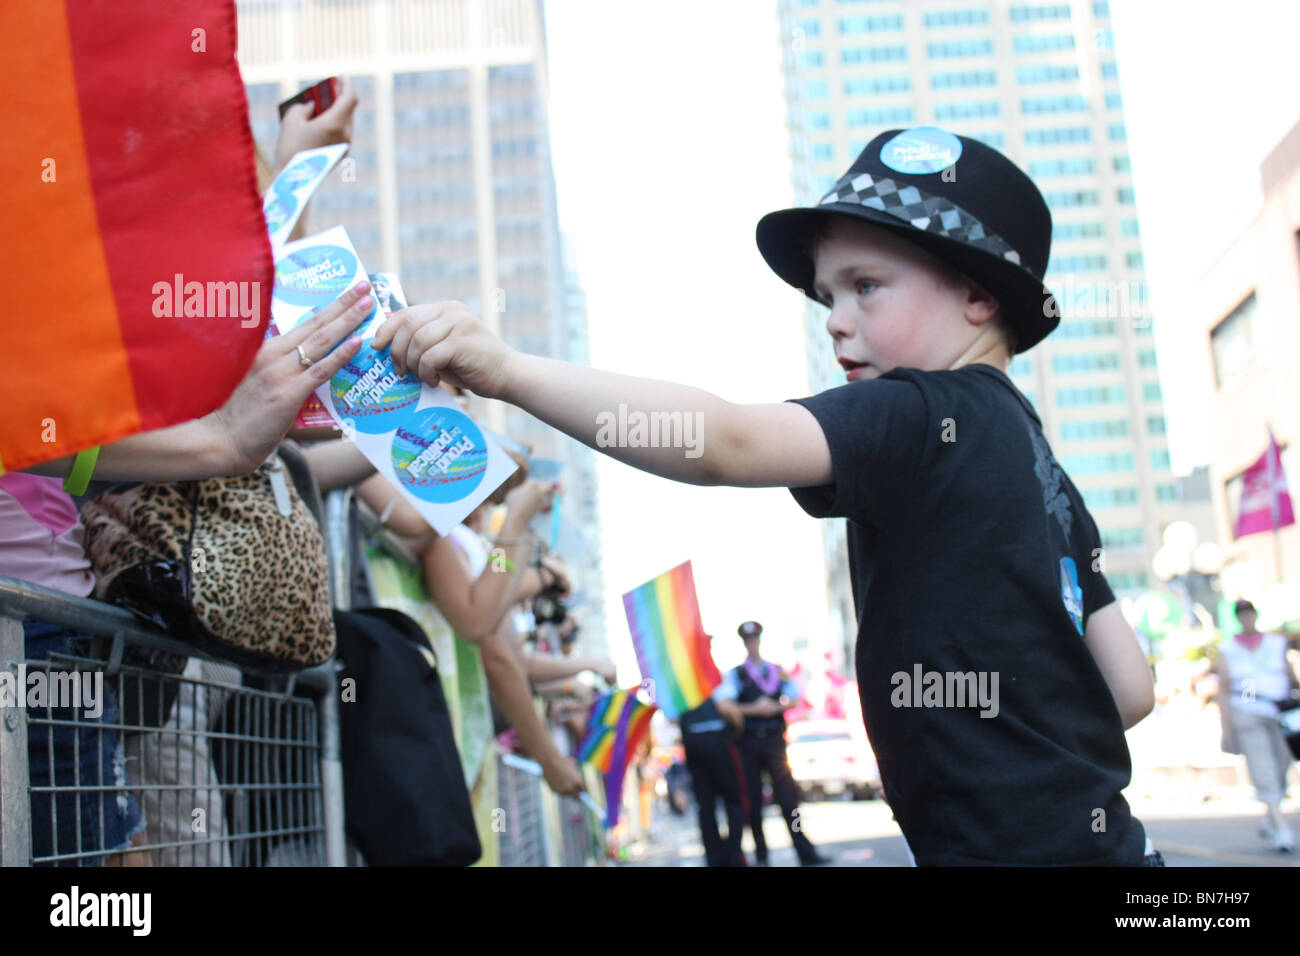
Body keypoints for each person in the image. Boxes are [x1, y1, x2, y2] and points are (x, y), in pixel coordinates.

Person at [371, 125, 1158, 866]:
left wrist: (509, 371)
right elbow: (1129, 686)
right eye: (827, 298)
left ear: (979, 296)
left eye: (866, 287)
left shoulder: (925, 412)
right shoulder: (1042, 467)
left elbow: (724, 441)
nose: (836, 323)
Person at [725, 621, 827, 866]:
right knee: (754, 800)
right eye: (748, 641)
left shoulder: (775, 670)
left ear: (759, 641)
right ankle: (762, 855)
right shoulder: (737, 674)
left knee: (788, 799)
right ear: (744, 644)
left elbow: (794, 697)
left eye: (755, 640)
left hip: (774, 740)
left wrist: (775, 707)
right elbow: (727, 705)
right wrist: (755, 710)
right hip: (749, 742)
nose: (752, 644)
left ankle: (804, 852)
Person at [1215, 599, 1299, 852]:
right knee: (1262, 767)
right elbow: (1223, 687)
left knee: (1283, 764)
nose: (1246, 618)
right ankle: (1281, 828)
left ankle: (1272, 815)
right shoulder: (1229, 648)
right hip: (1247, 710)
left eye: (1249, 613)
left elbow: (1290, 675)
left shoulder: (1275, 643)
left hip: (1278, 712)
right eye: (1242, 614)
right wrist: (1226, 727)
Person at [679, 637, 748, 867]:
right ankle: (732, 854)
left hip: (695, 743)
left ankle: (715, 858)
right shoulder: (713, 677)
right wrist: (736, 728)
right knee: (732, 799)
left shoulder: (682, 679)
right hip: (716, 742)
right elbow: (727, 709)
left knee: (706, 805)